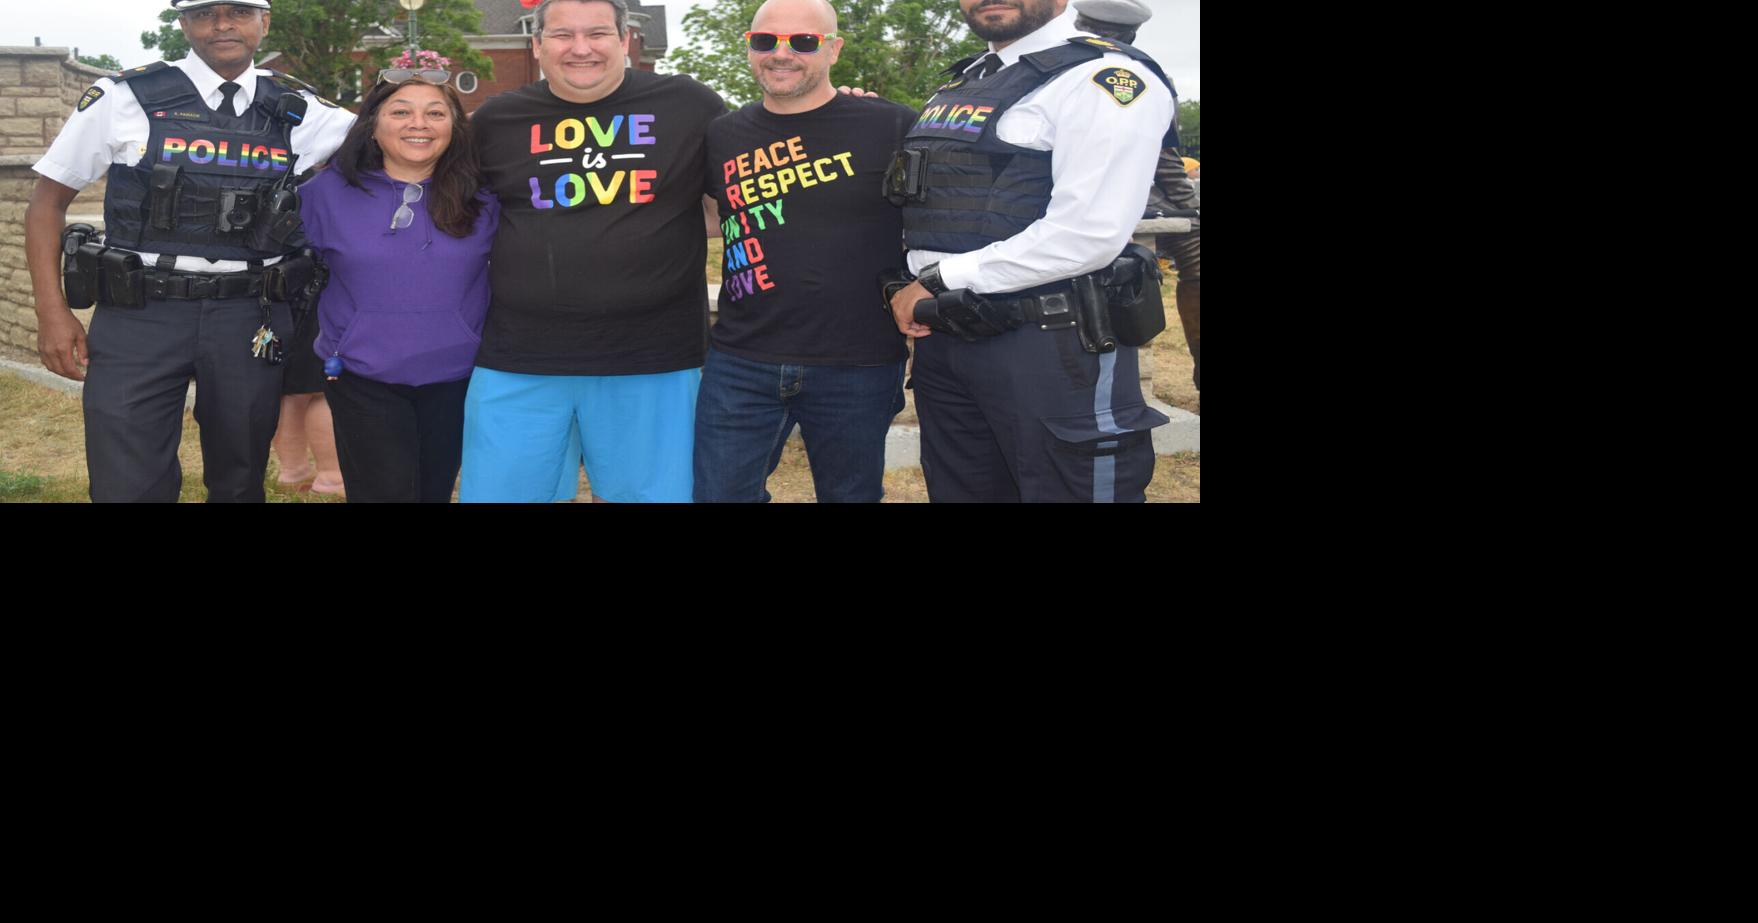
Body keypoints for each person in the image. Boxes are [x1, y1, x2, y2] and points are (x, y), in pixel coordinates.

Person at [24, 0, 353, 501]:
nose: (222, 24)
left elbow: (397, 147)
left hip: (250, 316)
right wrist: (52, 312)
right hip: (139, 315)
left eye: (239, 11)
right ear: (182, 24)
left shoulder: (303, 110)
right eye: (204, 13)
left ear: (264, 22)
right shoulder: (125, 97)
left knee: (240, 479)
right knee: (125, 483)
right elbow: (47, 204)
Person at [885, 0, 1176, 502]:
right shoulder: (965, 81)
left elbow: (1086, 234)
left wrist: (937, 281)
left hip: (1052, 345)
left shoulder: (1102, 78)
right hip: (947, 338)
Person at [459, 0, 726, 503]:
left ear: (624, 40)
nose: (580, 48)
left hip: (652, 356)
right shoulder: (496, 119)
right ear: (536, 45)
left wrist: (835, 111)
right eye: (562, 35)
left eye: (597, 33)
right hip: (519, 355)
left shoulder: (689, 104)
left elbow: (750, 181)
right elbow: (444, 203)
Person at [693, 0, 916, 503]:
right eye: (765, 40)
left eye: (804, 41)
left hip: (858, 361)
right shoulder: (722, 134)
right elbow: (713, 215)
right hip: (740, 358)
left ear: (833, 49)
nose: (781, 53)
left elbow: (939, 217)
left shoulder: (891, 124)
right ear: (749, 48)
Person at [298, 69, 499, 502]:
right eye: (401, 112)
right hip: (360, 373)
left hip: (457, 375)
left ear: (454, 126)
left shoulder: (483, 197)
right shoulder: (325, 193)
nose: (419, 124)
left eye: (435, 113)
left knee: (432, 491)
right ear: (372, 125)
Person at [1073, 0, 1201, 393]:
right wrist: (1191, 208)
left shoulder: (1046, 64)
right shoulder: (1142, 74)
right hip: (1116, 198)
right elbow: (1164, 156)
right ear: (1131, 35)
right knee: (1197, 257)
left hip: (1076, 193)